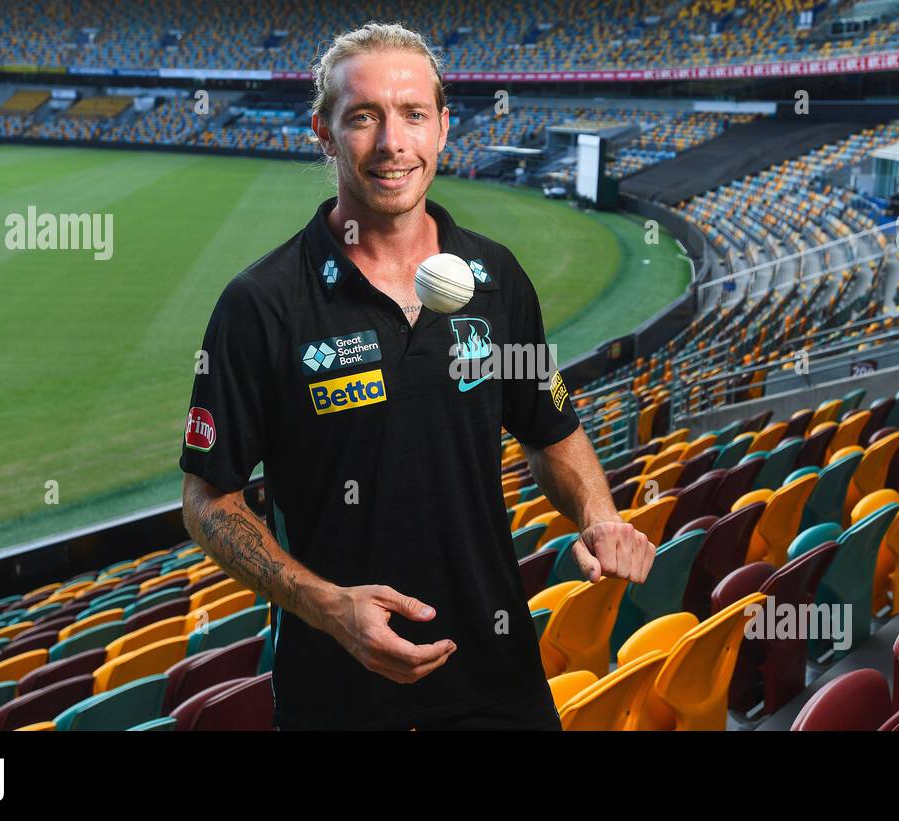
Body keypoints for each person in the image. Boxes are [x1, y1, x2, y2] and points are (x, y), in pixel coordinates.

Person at [179, 22, 655, 731]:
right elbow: (207, 500)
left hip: (498, 680)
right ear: (323, 132)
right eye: (363, 116)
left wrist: (600, 516)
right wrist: (326, 605)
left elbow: (553, 432)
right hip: (336, 694)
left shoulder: (498, 281)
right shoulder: (263, 303)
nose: (391, 142)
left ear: (443, 128)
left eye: (412, 114)